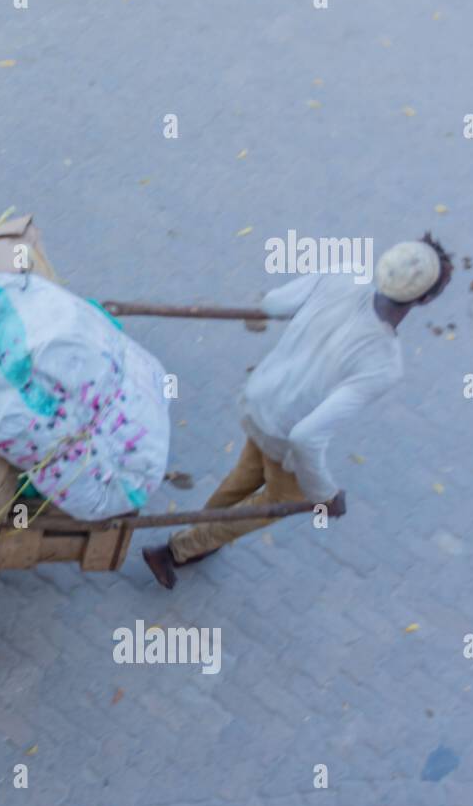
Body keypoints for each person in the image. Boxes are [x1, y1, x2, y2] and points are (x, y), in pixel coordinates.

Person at [143, 234, 453, 589]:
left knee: (247, 475)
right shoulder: (383, 363)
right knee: (283, 497)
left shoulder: (343, 275)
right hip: (285, 431)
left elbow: (274, 303)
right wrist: (325, 495)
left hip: (260, 400)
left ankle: (201, 535)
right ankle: (179, 549)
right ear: (425, 299)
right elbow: (306, 438)